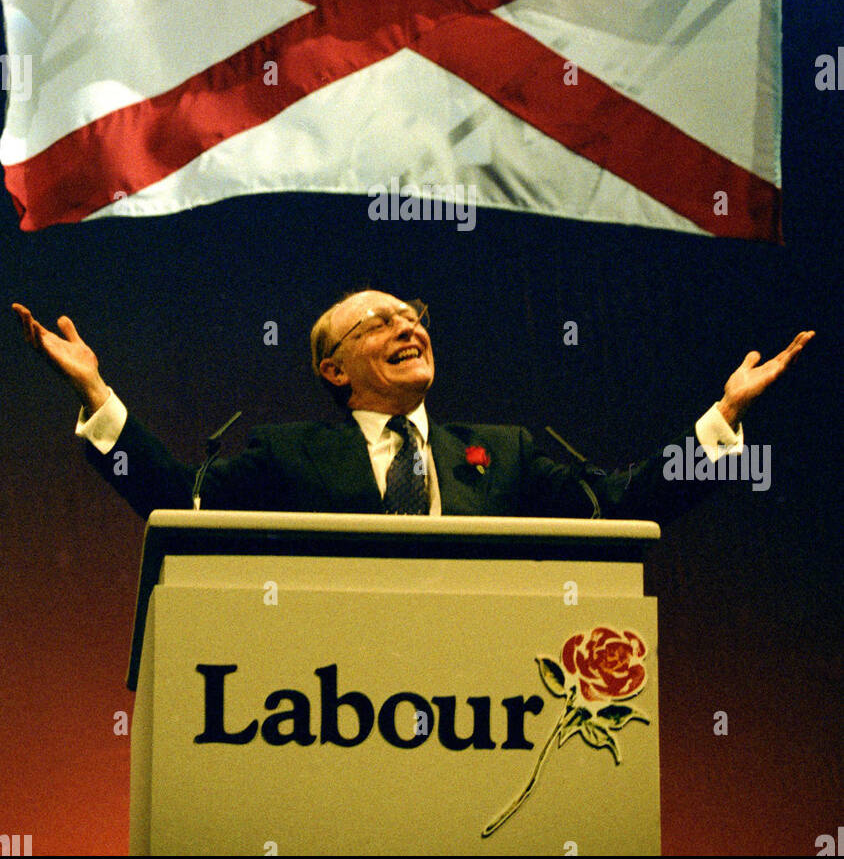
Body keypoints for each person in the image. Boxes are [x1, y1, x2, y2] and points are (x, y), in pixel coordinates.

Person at [12, 293, 813, 524]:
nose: (408, 328)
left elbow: (622, 502)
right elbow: (174, 501)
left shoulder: (504, 451)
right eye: (378, 323)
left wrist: (721, 420)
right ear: (333, 368)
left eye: (413, 317)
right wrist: (98, 399)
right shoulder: (285, 455)